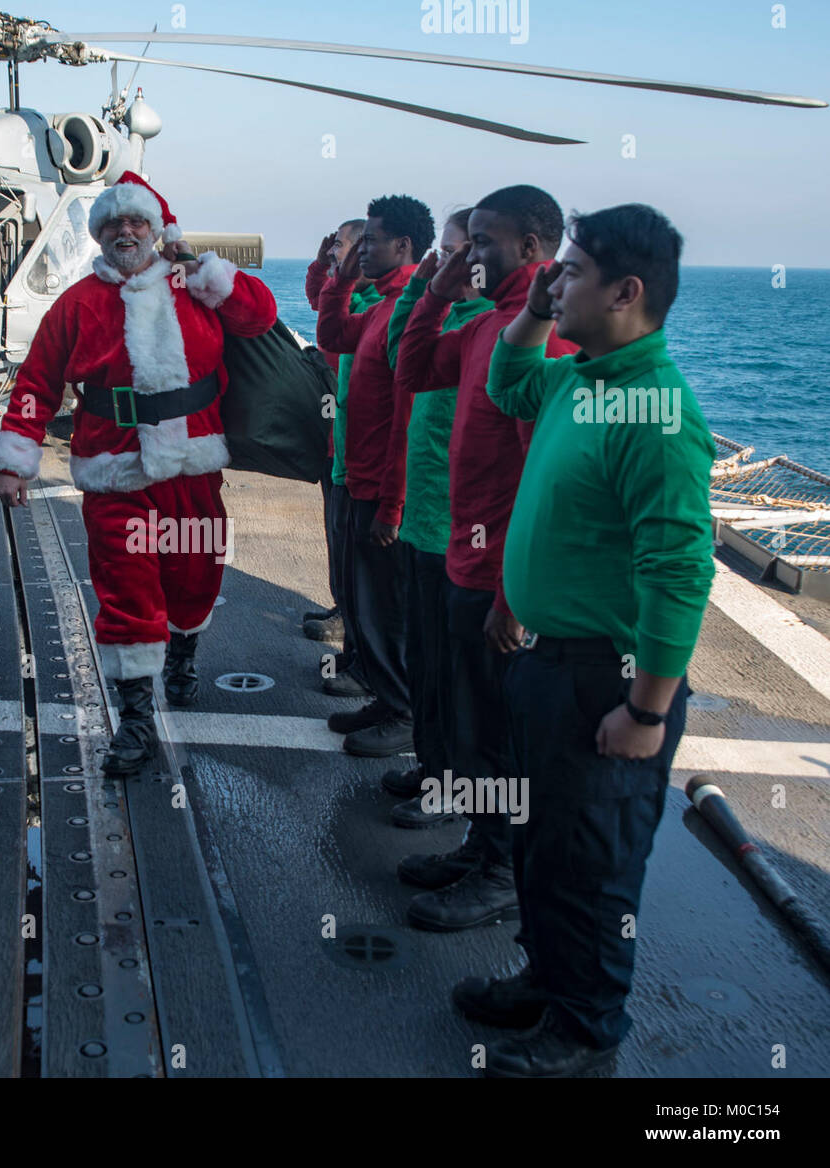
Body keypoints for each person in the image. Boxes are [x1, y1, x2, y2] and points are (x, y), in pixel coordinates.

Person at [459, 203, 714, 1077]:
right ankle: (546, 980)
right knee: (539, 843)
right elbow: (506, 384)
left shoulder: (655, 412)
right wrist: (535, 308)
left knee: (593, 865)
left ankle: (585, 1032)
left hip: (606, 681)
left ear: (627, 292)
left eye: (569, 272)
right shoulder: (584, 380)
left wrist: (646, 710)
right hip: (545, 660)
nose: (552, 282)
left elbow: (680, 571)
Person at [0, 171, 277, 774]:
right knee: (125, 590)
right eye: (114, 223)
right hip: (114, 470)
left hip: (194, 468)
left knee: (195, 577)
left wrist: (204, 267)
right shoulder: (76, 304)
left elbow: (259, 316)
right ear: (99, 235)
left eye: (137, 221)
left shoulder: (195, 284)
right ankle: (136, 721)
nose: (126, 230)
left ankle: (184, 650)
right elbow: (38, 382)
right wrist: (17, 459)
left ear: (157, 229)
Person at [393, 184, 577, 931]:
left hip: (499, 578)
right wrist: (435, 293)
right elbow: (410, 372)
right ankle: (481, 844)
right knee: (471, 730)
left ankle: (503, 872)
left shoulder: (548, 343)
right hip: (461, 560)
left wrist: (513, 596)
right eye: (467, 241)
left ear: (533, 250)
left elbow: (545, 485)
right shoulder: (489, 329)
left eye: (484, 242)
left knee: (500, 739)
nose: (470, 252)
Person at [377, 210, 493, 837]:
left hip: (461, 537)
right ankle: (432, 766)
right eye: (439, 253)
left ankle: (454, 786)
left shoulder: (492, 330)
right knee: (424, 663)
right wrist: (426, 293)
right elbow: (403, 358)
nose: (445, 262)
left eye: (456, 253)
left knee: (457, 680)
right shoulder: (453, 323)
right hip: (425, 527)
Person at [315, 194, 434, 758]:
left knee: (387, 609)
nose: (363, 249)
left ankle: (406, 713)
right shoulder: (385, 303)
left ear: (402, 246)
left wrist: (392, 505)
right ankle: (387, 700)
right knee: (366, 606)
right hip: (356, 477)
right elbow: (334, 335)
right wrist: (338, 278)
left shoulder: (407, 308)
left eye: (371, 241)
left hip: (379, 488)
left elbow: (408, 417)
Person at [304, 220, 380, 700]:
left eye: (345, 248)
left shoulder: (371, 310)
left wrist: (336, 276)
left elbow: (328, 323)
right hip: (341, 450)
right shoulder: (351, 299)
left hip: (364, 462)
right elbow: (320, 303)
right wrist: (322, 262)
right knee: (342, 545)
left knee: (368, 566)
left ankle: (372, 663)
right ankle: (346, 622)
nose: (338, 256)